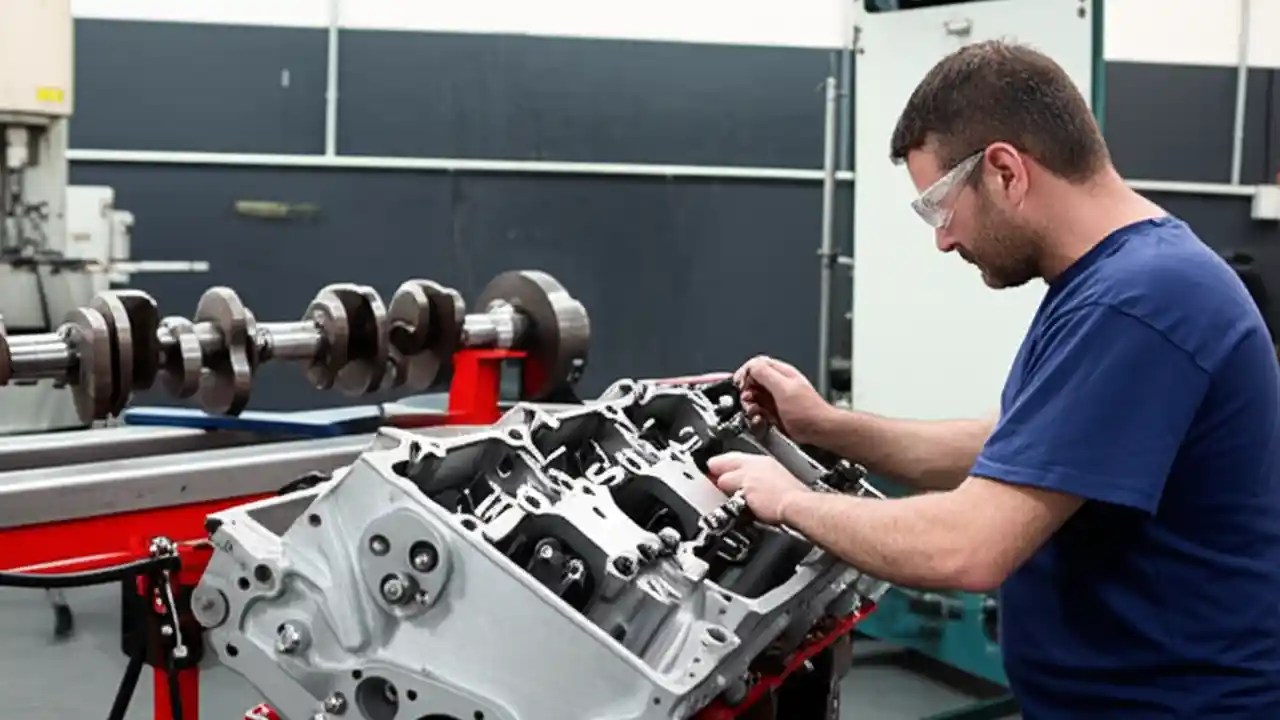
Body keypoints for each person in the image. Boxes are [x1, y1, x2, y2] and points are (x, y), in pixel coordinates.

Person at [706, 40, 1280, 717]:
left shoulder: (1140, 303)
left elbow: (969, 547)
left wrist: (788, 500)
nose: (943, 240)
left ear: (1006, 171)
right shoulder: (1124, 281)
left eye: (939, 208)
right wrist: (826, 426)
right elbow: (1017, 448)